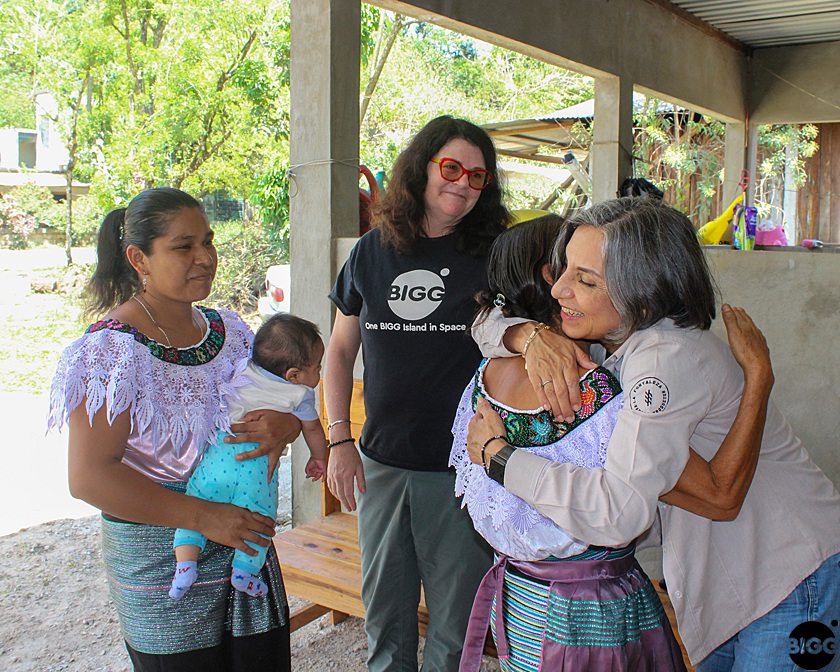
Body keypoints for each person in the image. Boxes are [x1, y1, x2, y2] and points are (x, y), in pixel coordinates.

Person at [469, 197, 840, 670]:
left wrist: (499, 458)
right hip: (733, 586)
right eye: (563, 271)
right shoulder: (612, 349)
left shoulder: (662, 359)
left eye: (584, 280)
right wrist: (529, 336)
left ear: (642, 294)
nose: (559, 289)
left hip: (792, 577)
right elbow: (482, 324)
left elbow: (621, 510)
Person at [47, 188, 300, 672]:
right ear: (138, 258)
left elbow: (278, 404)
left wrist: (284, 426)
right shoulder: (110, 354)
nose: (205, 257)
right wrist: (206, 518)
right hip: (163, 562)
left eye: (208, 241)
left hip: (244, 546)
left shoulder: (231, 334)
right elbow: (89, 477)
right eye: (183, 247)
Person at [323, 115, 540, 671]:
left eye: (477, 176)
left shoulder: (493, 256)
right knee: (385, 620)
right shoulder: (372, 251)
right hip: (382, 465)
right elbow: (340, 351)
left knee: (456, 627)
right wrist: (338, 439)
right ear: (422, 168)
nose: (464, 184)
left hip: (463, 469)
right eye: (452, 168)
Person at [169, 312, 328, 601]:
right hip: (256, 470)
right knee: (259, 521)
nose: (319, 373)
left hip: (219, 458)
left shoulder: (241, 369)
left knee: (196, 500)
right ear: (294, 375)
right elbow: (313, 428)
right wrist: (320, 457)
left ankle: (185, 564)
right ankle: (244, 572)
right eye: (317, 367)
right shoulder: (300, 394)